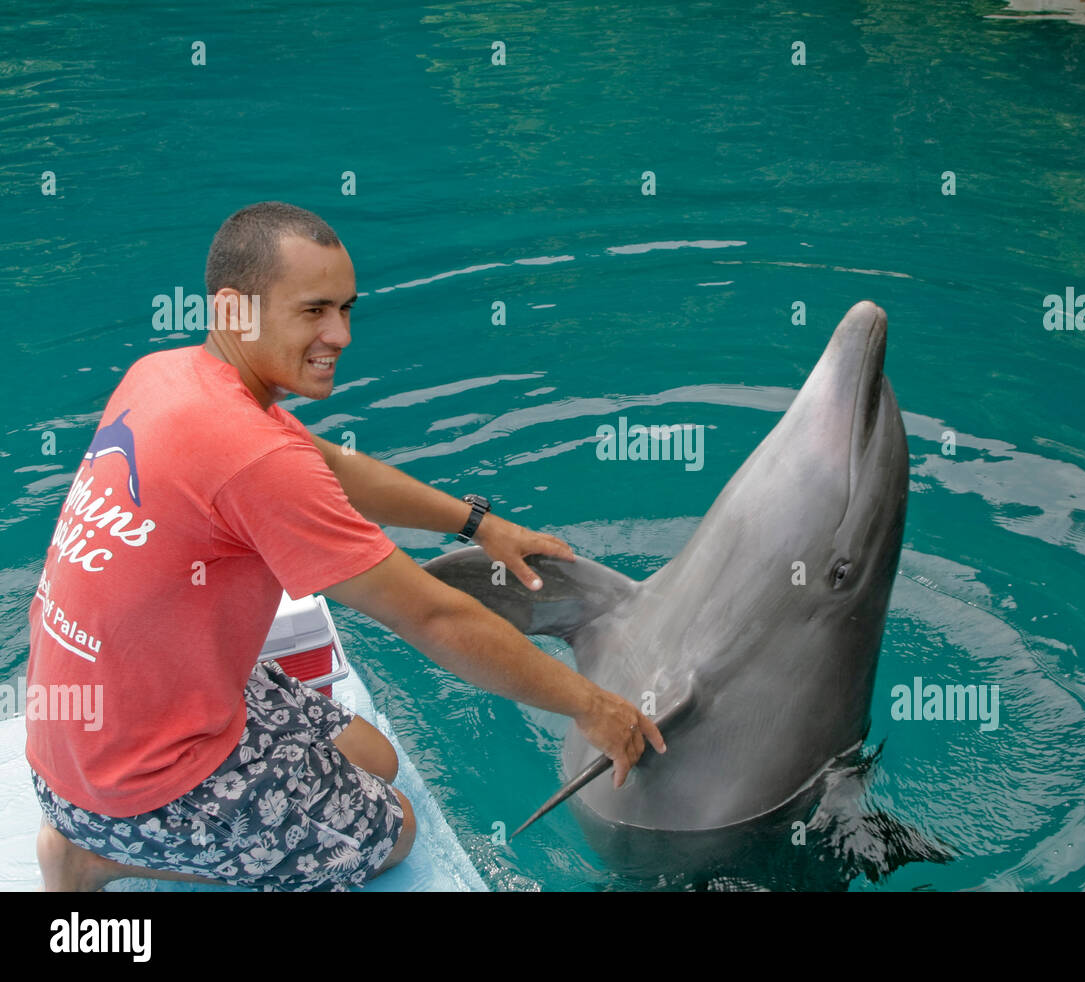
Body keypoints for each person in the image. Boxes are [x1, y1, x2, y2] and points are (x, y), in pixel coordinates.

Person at [27, 201, 664, 891]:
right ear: (236, 311)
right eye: (315, 310)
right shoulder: (253, 458)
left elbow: (329, 463)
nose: (342, 334)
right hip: (131, 789)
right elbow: (433, 617)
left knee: (377, 759)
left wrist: (480, 526)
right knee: (394, 829)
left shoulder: (166, 374)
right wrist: (591, 706)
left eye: (348, 308)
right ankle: (94, 857)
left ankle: (107, 828)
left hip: (82, 730)